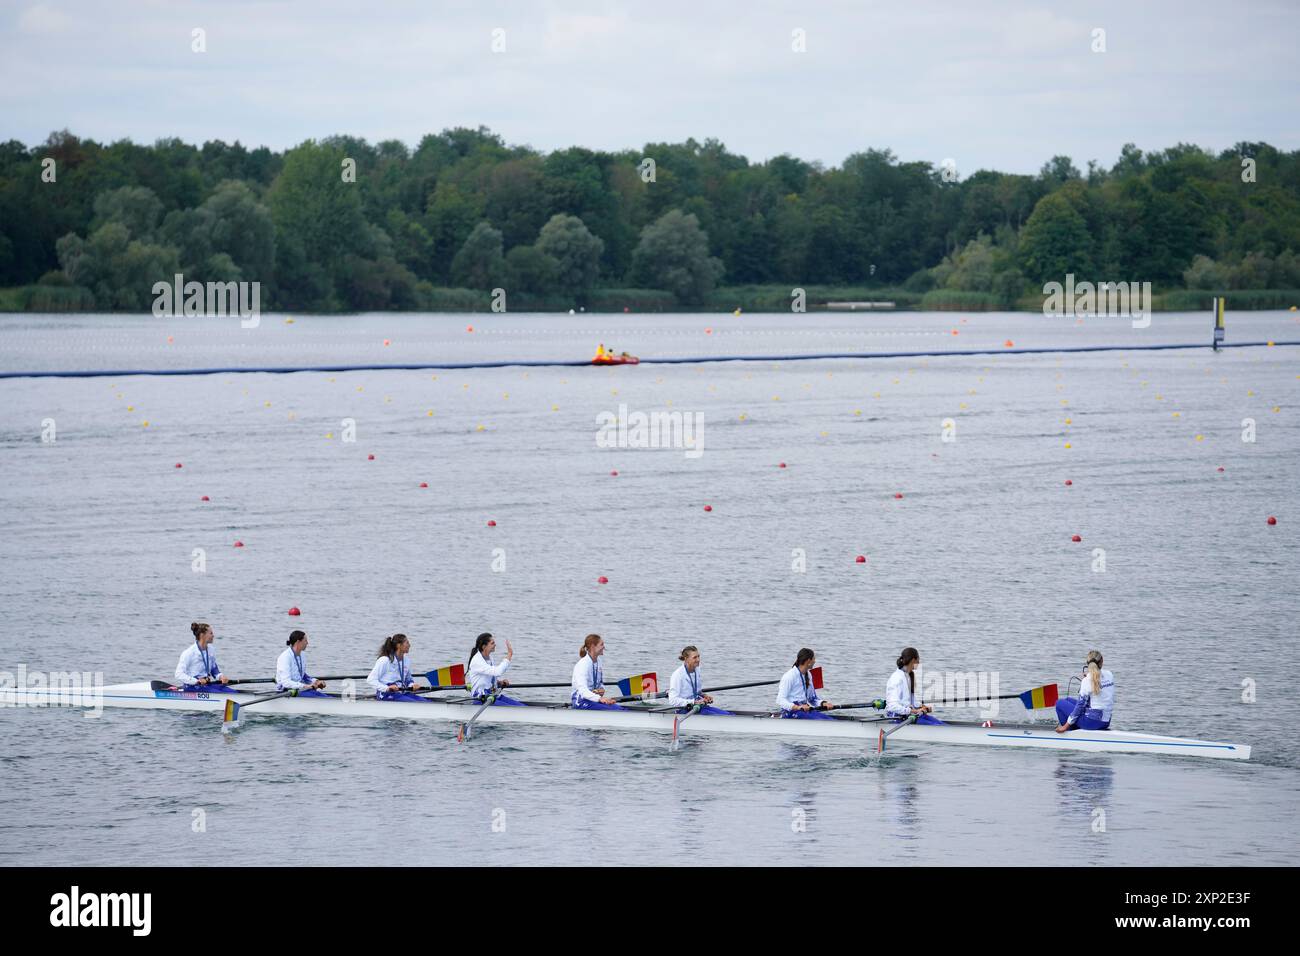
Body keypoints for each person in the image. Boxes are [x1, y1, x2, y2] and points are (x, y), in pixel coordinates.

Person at [1056, 650, 1114, 732]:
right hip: (1106, 721)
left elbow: (1080, 705)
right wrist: (1088, 677)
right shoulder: (1110, 675)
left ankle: (1069, 730)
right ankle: (1075, 726)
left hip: (1092, 723)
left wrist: (1066, 725)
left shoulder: (1087, 680)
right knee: (1068, 700)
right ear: (1102, 660)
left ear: (1088, 663)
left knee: (1059, 703)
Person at [667, 646, 730, 715]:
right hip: (684, 710)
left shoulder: (697, 669)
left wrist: (704, 696)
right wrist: (694, 702)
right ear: (686, 659)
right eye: (695, 657)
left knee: (729, 715)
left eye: (698, 656)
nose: (698, 660)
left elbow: (697, 692)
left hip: (698, 707)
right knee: (722, 717)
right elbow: (672, 700)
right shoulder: (677, 675)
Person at [467, 632, 524, 706]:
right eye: (492, 643)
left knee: (522, 707)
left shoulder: (490, 658)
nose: (495, 645)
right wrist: (509, 655)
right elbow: (498, 672)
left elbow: (488, 677)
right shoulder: (477, 661)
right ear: (484, 647)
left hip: (492, 695)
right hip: (481, 698)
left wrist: (498, 682)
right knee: (516, 710)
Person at [775, 648, 833, 719]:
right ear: (808, 661)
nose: (815, 661)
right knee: (822, 721)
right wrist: (797, 707)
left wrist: (823, 703)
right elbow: (780, 700)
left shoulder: (808, 674)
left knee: (830, 720)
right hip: (791, 712)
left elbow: (812, 699)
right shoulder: (789, 676)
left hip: (804, 709)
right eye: (814, 659)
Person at [570, 634, 623, 709]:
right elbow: (583, 691)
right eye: (601, 644)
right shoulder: (582, 665)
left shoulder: (599, 662)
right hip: (580, 701)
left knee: (620, 708)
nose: (604, 647)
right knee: (616, 710)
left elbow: (600, 683)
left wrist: (601, 690)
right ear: (592, 646)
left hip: (592, 700)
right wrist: (600, 699)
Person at [175, 622, 231, 688]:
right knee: (225, 694)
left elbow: (214, 669)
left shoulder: (211, 649)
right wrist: (196, 681)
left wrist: (221, 677)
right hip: (193, 687)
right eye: (211, 633)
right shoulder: (189, 653)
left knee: (231, 692)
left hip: (206, 685)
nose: (213, 635)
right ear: (202, 635)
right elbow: (178, 674)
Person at [367, 634, 421, 700]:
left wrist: (412, 685)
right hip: (387, 694)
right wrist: (386, 688)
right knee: (414, 704)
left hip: (401, 692)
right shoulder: (385, 660)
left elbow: (408, 680)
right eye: (407, 643)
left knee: (425, 702)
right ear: (399, 645)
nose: (409, 645)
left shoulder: (406, 660)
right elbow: (371, 680)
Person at [884, 647, 934, 718]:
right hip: (896, 718)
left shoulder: (908, 675)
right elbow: (892, 706)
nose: (919, 663)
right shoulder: (897, 678)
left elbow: (909, 701)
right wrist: (914, 711)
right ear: (913, 660)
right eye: (918, 660)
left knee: (938, 723)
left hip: (907, 715)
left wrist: (922, 706)